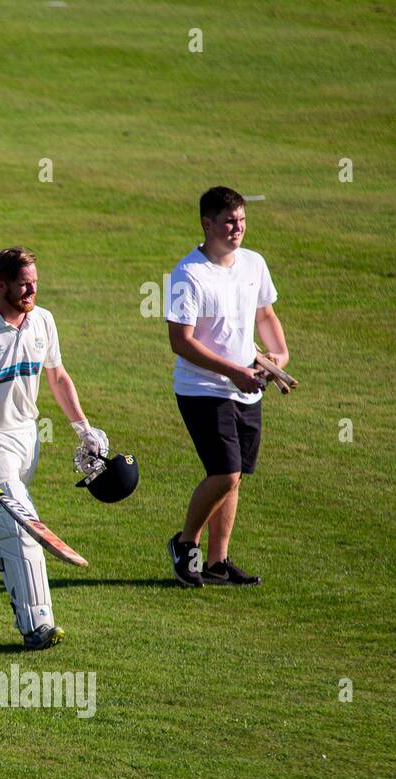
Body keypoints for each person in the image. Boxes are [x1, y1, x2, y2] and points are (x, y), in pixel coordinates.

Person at [0, 247, 110, 650]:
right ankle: (37, 625)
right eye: (23, 283)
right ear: (1, 285)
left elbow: (58, 376)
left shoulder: (43, 321)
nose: (31, 289)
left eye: (35, 282)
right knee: (22, 526)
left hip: (29, 440)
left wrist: (83, 427)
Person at [165, 186, 289, 587]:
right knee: (225, 472)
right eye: (229, 222)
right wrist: (232, 371)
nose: (237, 229)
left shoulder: (253, 264)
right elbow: (181, 341)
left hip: (246, 386)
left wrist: (279, 355)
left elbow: (265, 314)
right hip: (203, 388)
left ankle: (218, 563)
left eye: (242, 221)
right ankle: (185, 545)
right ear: (207, 224)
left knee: (235, 476)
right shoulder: (188, 274)